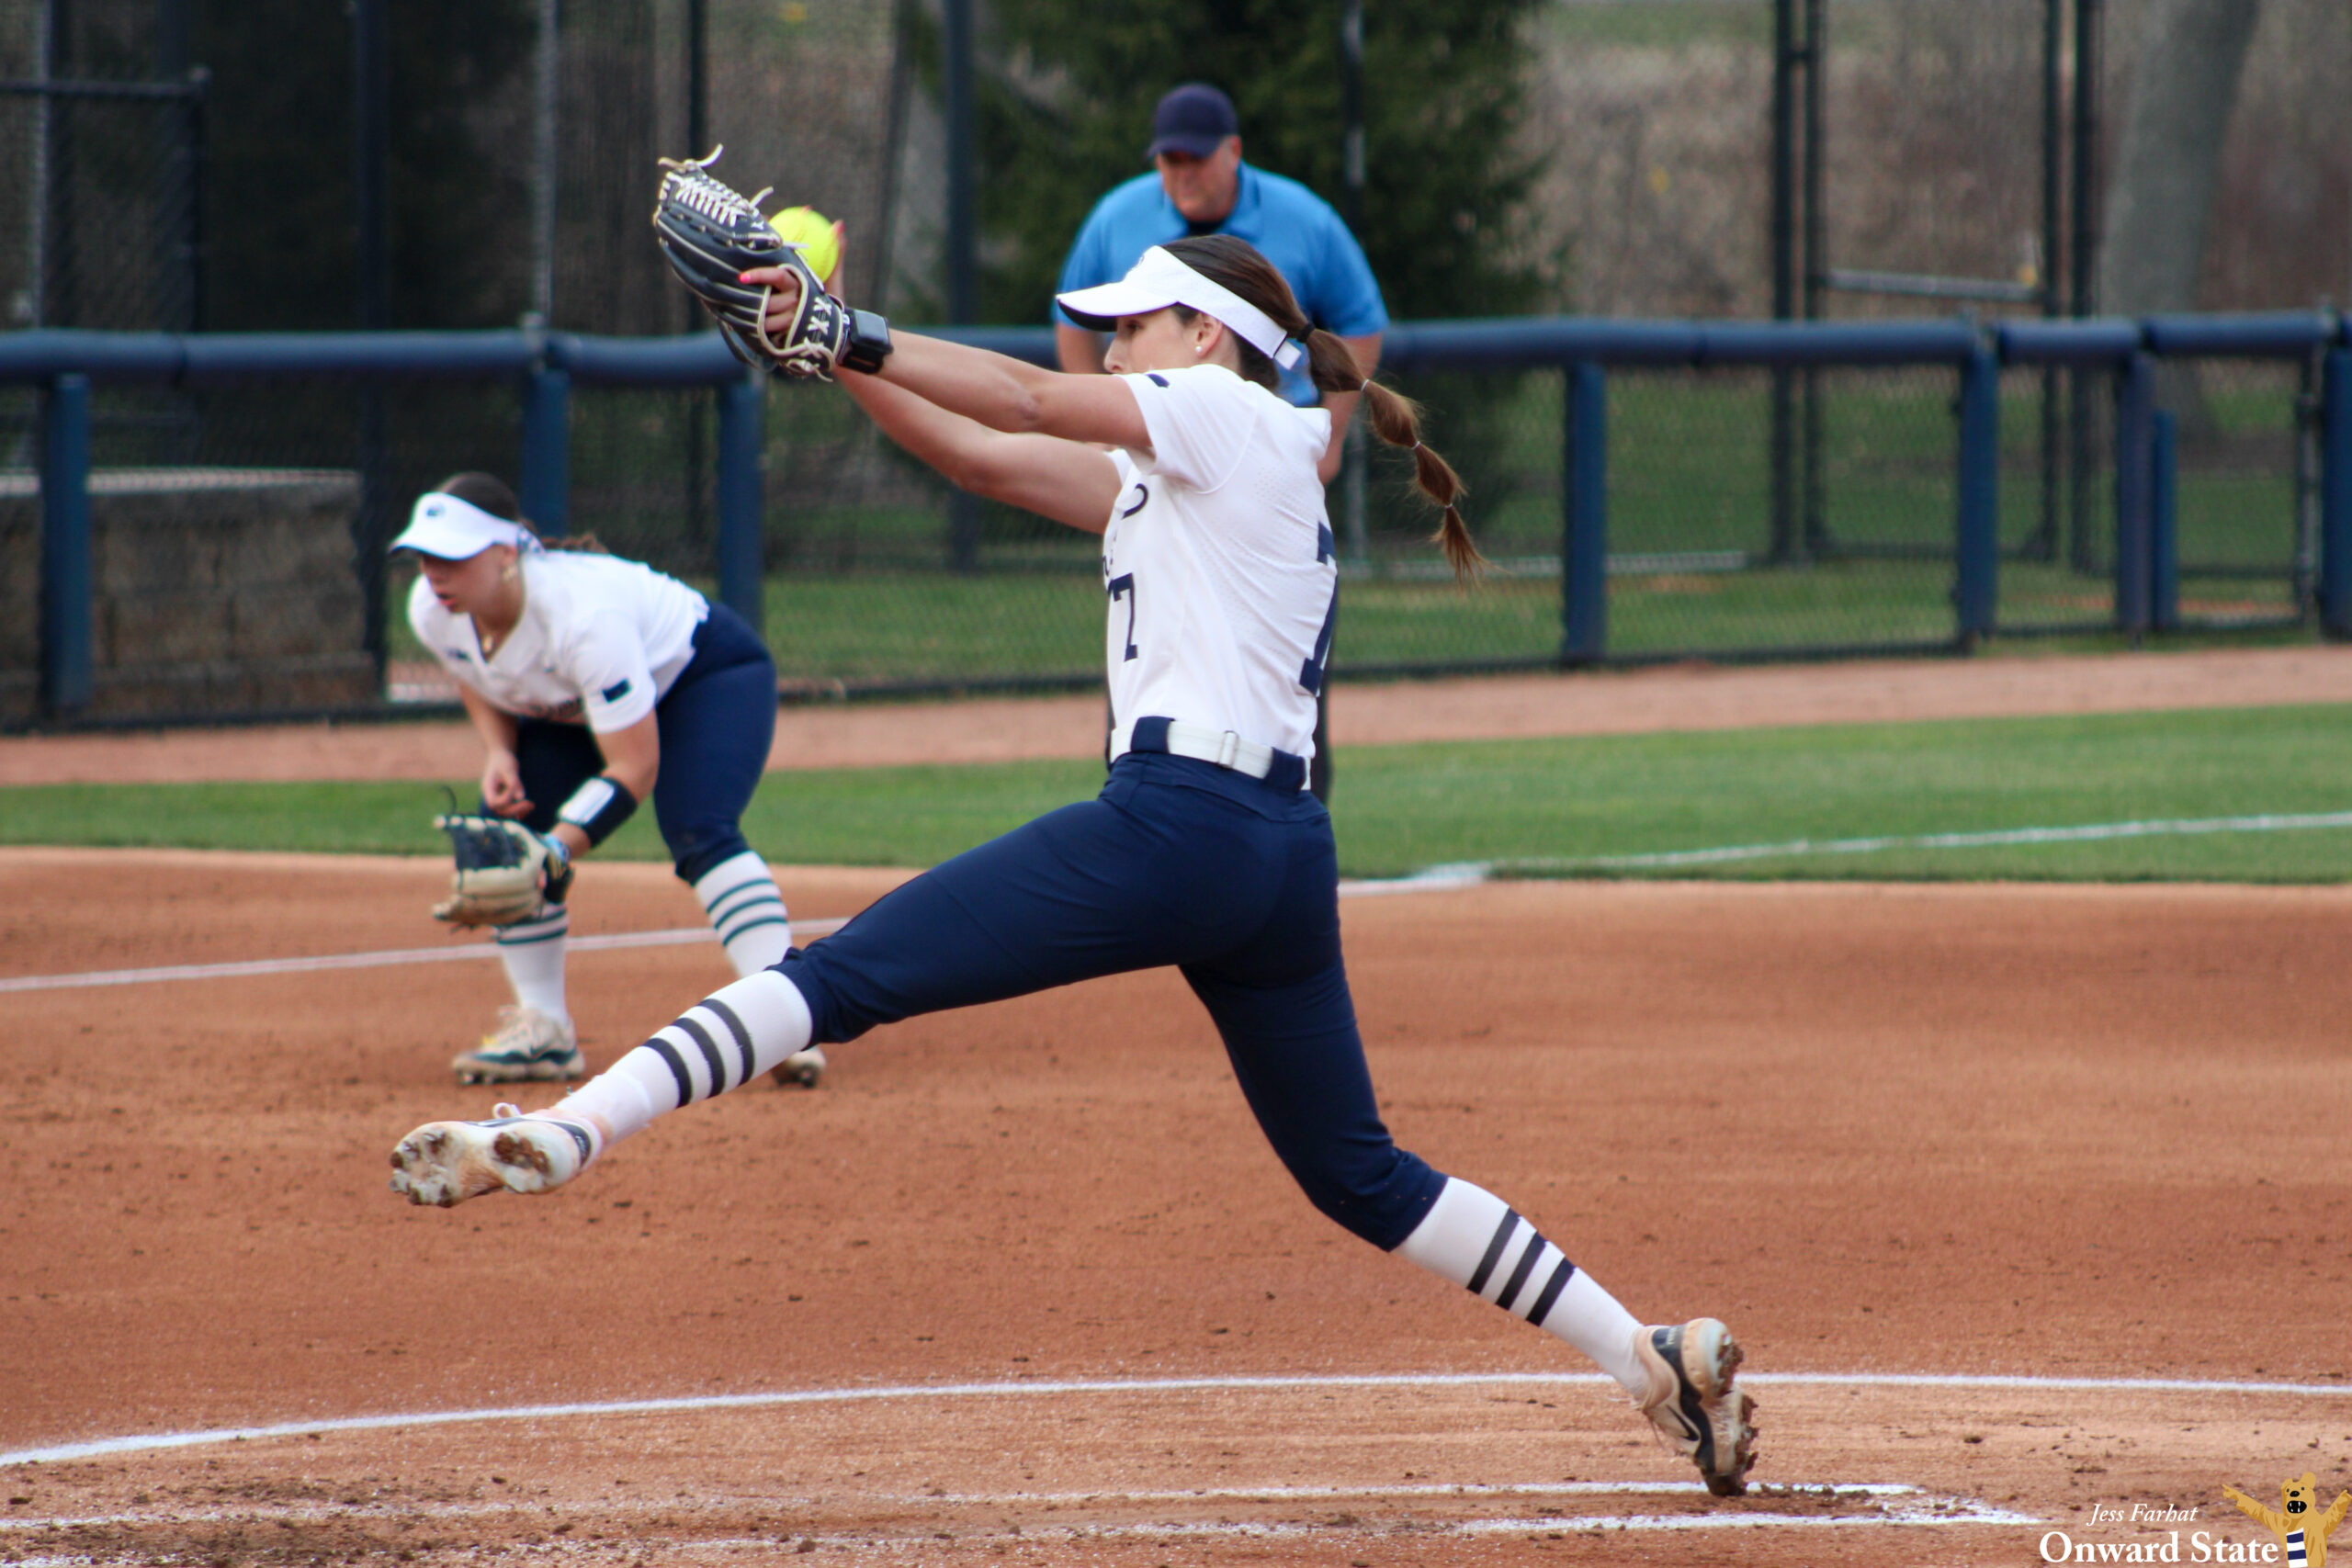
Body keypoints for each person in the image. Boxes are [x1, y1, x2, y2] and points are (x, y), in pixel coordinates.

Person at [386, 238, 1758, 1497]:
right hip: (1275, 853)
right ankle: (1645, 1356)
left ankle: (574, 1129)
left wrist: (848, 326)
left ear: (1207, 335)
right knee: (1359, 1175)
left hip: (1177, 823)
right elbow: (984, 456)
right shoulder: (1211, 461)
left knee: (838, 977)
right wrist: (827, 352)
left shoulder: (1224, 412)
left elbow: (1028, 399)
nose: (1106, 343)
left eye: (1132, 323)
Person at [391, 472, 824, 1089]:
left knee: (698, 826)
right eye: (425, 557)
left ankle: (783, 1016)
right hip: (577, 706)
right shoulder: (432, 611)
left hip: (702, 677)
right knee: (508, 836)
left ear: (505, 553)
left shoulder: (583, 618)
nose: (435, 573)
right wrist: (499, 752)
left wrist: (555, 850)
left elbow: (635, 766)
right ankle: (544, 1032)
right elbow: (475, 674)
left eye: (452, 557)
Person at [1056, 83, 1388, 801]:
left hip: (1255, 467)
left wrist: (1330, 435)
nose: (1181, 173)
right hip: (1158, 459)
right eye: (1169, 160)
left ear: (1233, 152)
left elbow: (1360, 322)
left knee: (1273, 687)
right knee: (1153, 661)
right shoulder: (1119, 214)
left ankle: (1286, 805)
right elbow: (1069, 324)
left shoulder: (1303, 218)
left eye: (1196, 158)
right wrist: (1100, 421)